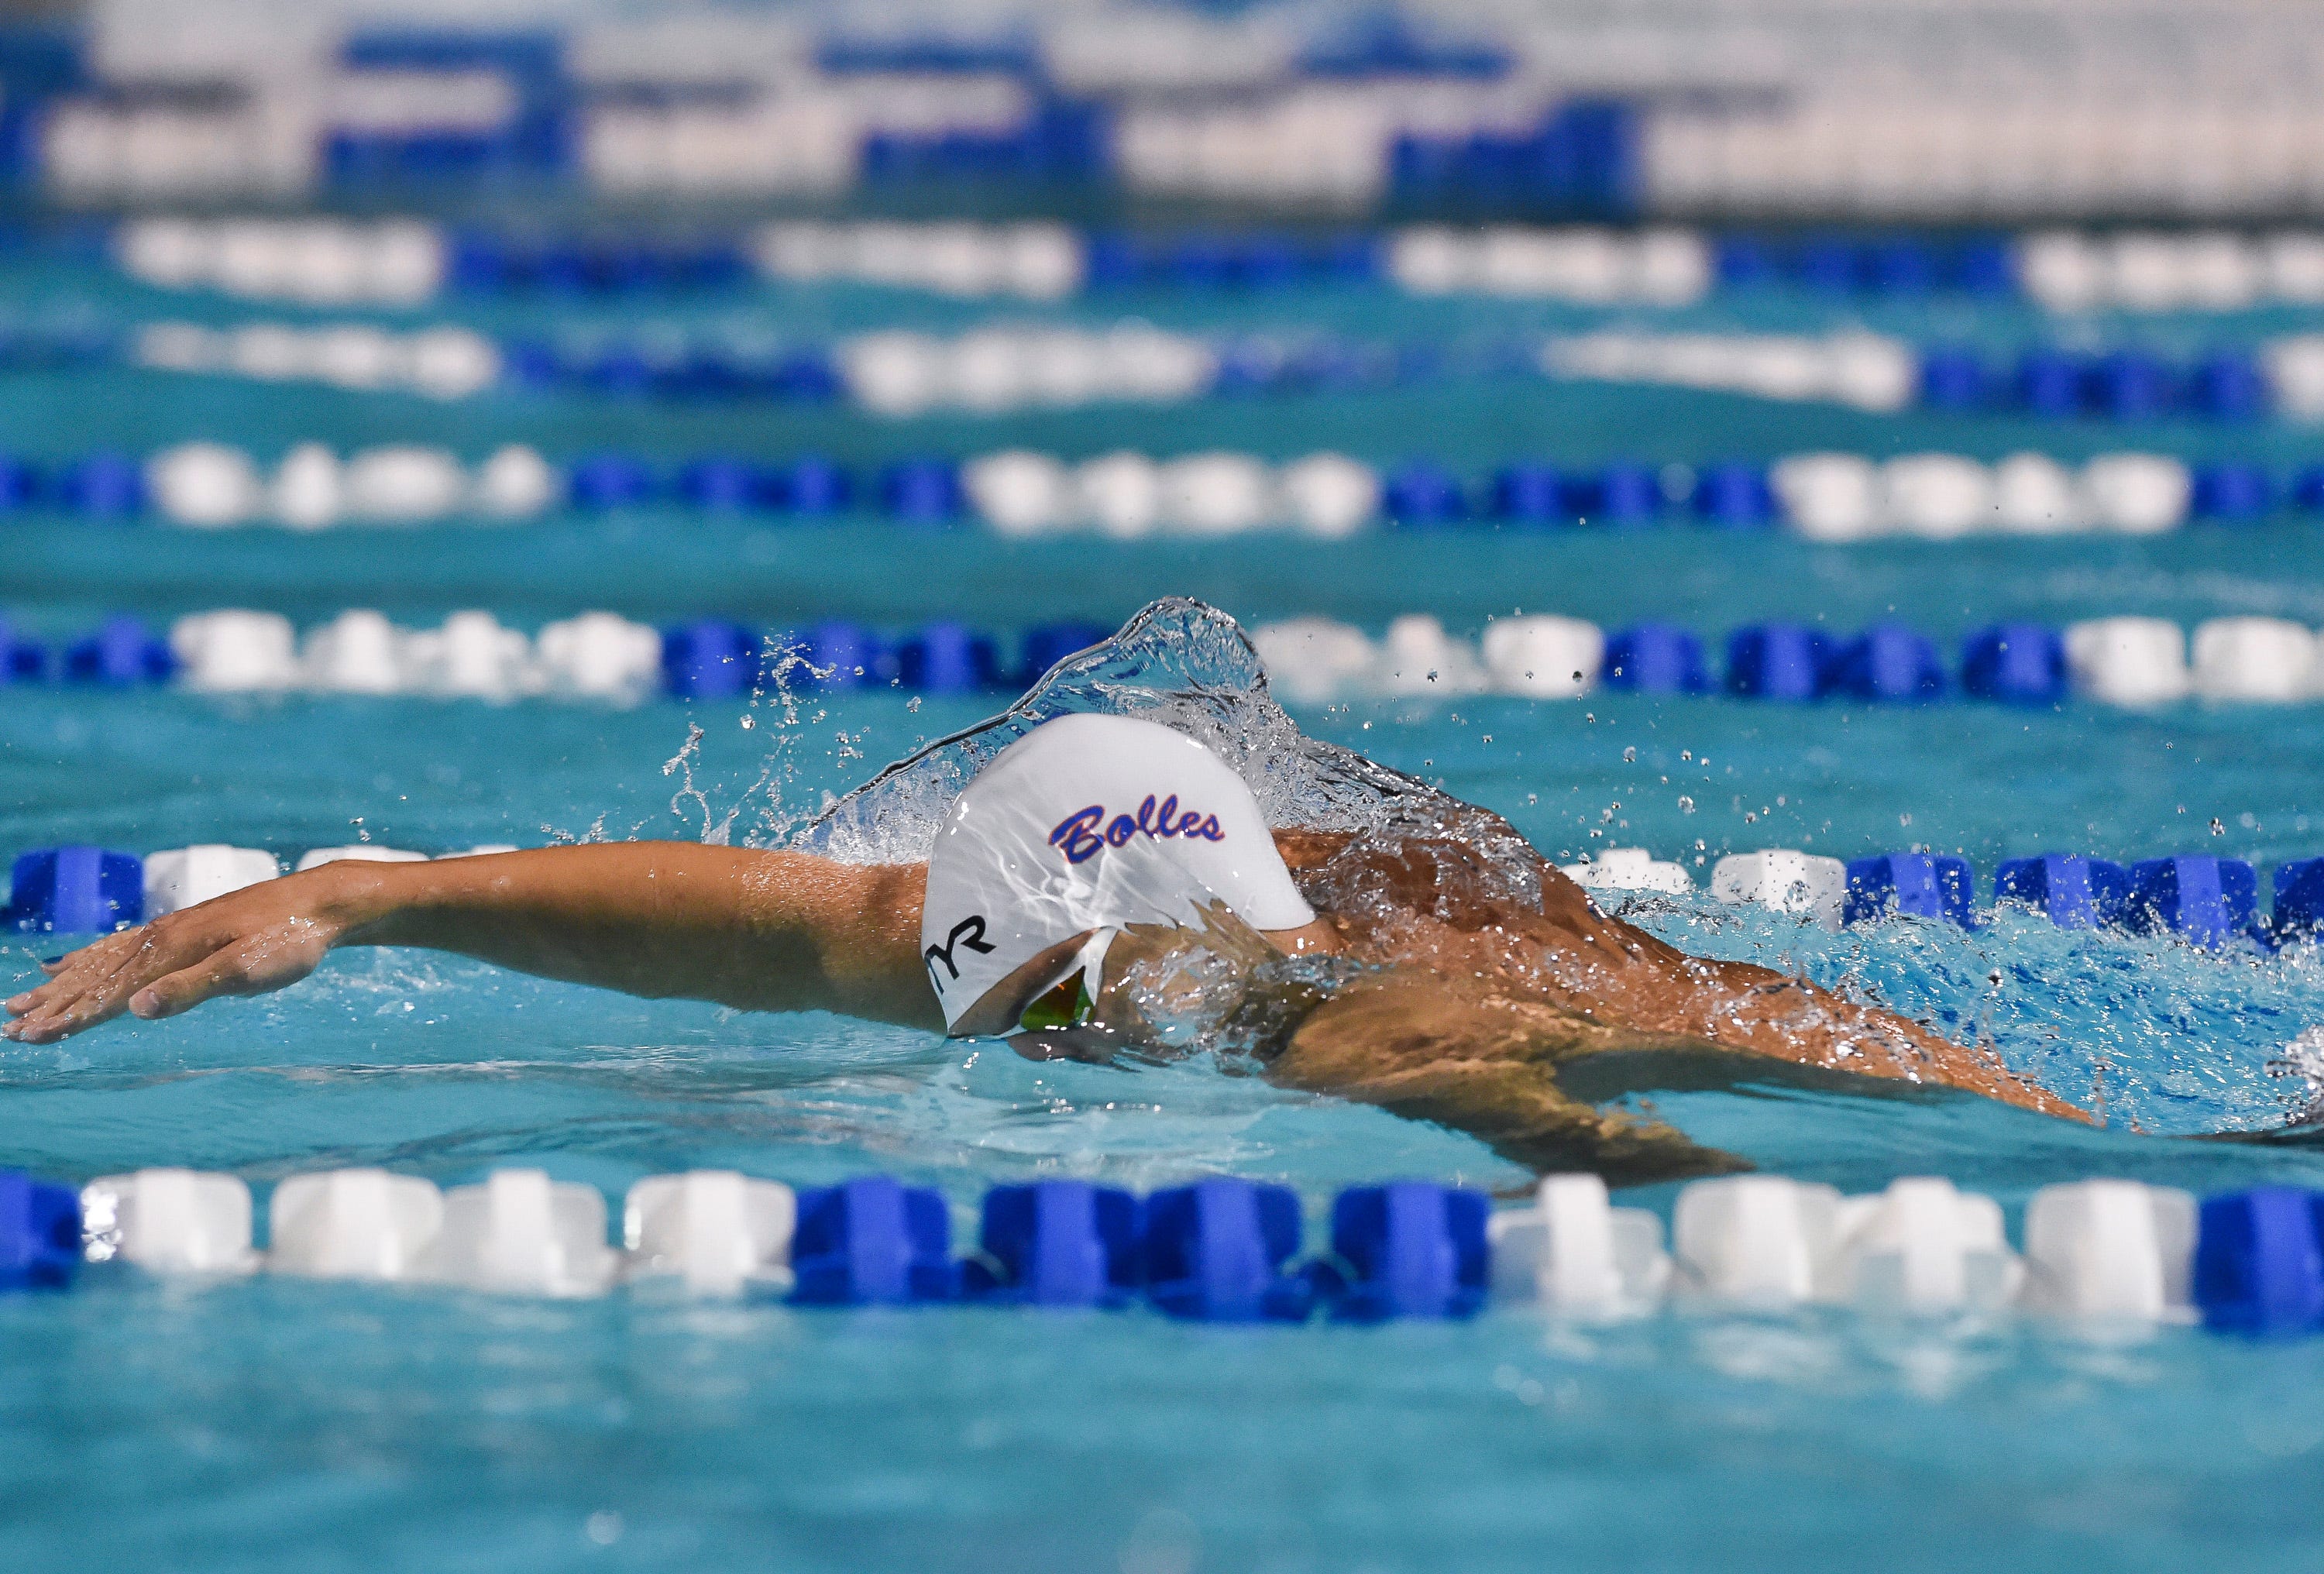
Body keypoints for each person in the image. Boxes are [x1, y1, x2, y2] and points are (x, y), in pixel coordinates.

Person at [2, 711, 2081, 1183]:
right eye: (1005, 1010)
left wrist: (1662, 1194)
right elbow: (731, 924)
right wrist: (349, 893)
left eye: (1061, 1004)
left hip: (1445, 985)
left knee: (1729, 1043)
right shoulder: (932, 934)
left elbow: (1656, 1131)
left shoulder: (1334, 1018)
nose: (1049, 1048)